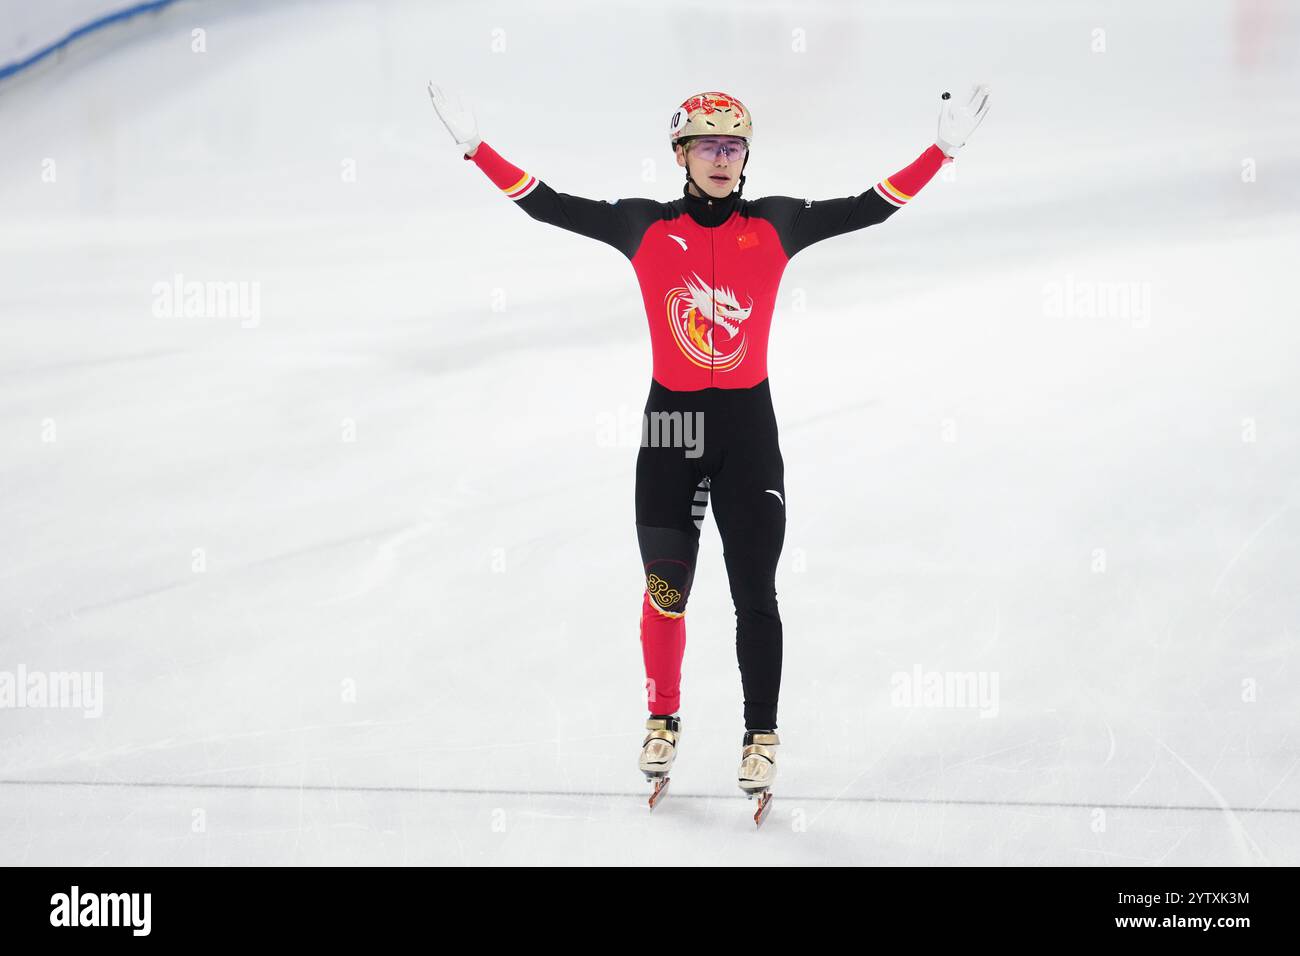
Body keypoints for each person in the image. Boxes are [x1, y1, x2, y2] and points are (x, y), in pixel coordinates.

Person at [429, 85, 991, 808]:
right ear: (681, 155)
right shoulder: (644, 226)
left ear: (745, 156)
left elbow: (869, 207)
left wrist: (940, 153)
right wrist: (477, 150)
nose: (722, 159)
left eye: (733, 147)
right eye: (707, 146)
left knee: (755, 592)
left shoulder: (777, 223)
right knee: (667, 592)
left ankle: (761, 737)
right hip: (673, 429)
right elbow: (549, 204)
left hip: (747, 431)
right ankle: (661, 721)